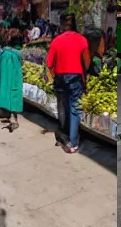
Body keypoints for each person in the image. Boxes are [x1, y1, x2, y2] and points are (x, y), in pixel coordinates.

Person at [46, 11, 91, 155]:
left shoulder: (57, 40)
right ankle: (72, 142)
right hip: (75, 78)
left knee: (62, 108)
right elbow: (87, 62)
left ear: (62, 24)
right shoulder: (82, 40)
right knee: (74, 109)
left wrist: (55, 74)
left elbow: (49, 63)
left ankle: (64, 136)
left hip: (60, 77)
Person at [0, 27, 24, 131]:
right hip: (14, 77)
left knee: (4, 91)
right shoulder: (15, 54)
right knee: (14, 93)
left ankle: (5, 113)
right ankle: (13, 118)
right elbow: (19, 68)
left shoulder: (2, 53)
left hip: (4, 76)